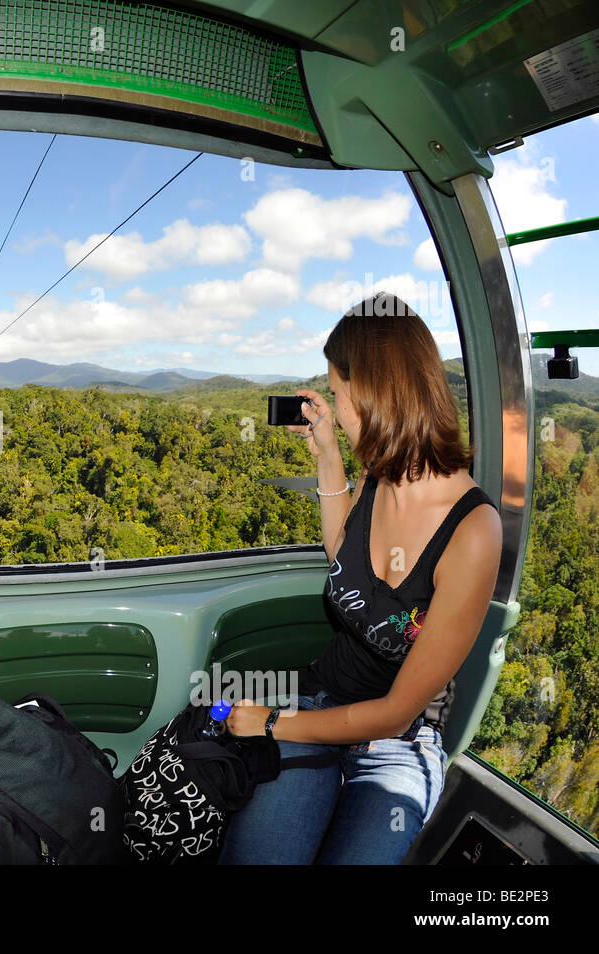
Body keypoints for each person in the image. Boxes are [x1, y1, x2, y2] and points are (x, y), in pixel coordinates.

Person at [217, 293, 502, 864]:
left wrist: (273, 723)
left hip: (396, 741)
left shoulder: (473, 532)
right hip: (323, 696)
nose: (338, 411)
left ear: (375, 397)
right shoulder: (380, 475)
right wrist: (327, 455)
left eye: (340, 395)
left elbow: (397, 711)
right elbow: (344, 559)